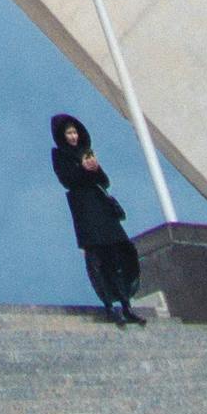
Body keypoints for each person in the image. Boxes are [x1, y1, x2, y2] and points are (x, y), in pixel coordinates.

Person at [51, 115, 145, 323]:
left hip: (102, 209)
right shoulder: (59, 155)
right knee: (98, 259)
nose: (73, 136)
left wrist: (95, 168)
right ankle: (109, 306)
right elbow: (68, 180)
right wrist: (83, 170)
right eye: (69, 133)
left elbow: (104, 182)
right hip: (85, 211)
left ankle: (126, 304)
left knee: (118, 255)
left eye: (75, 132)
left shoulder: (86, 151)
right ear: (62, 135)